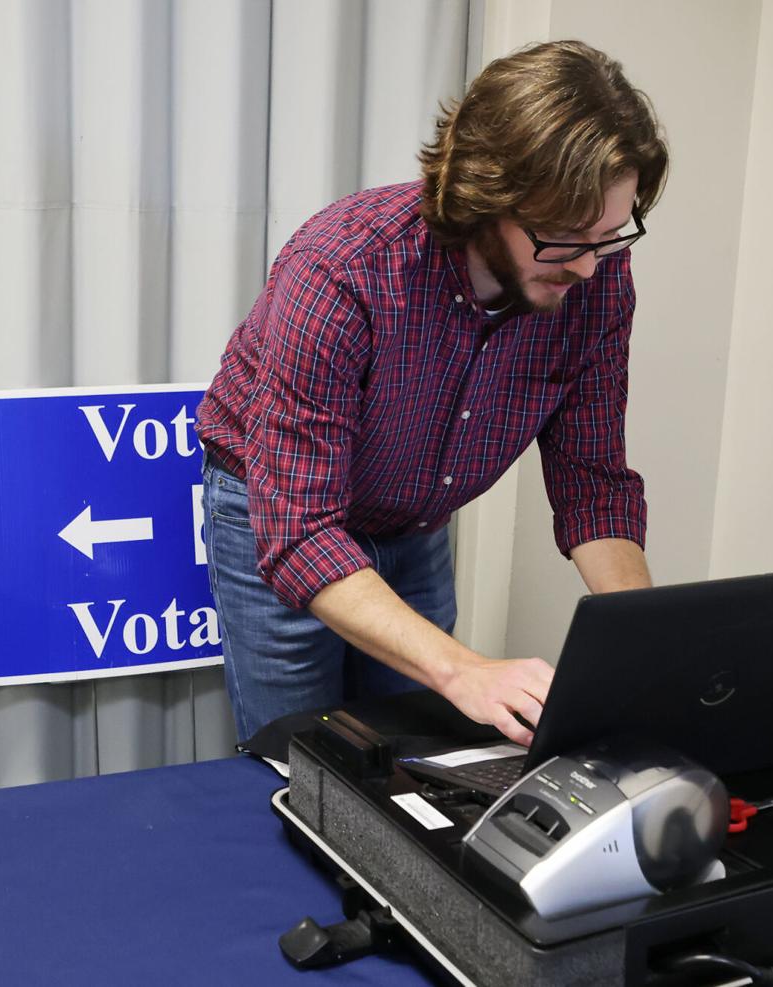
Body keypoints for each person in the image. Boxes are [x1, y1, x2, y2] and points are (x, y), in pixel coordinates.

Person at [195, 40, 667, 746]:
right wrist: (463, 670)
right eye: (567, 239)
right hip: (280, 509)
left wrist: (654, 651)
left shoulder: (593, 280)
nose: (591, 268)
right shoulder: (343, 269)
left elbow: (592, 481)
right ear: (488, 196)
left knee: (419, 760)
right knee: (301, 758)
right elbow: (300, 533)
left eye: (611, 237)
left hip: (415, 523)